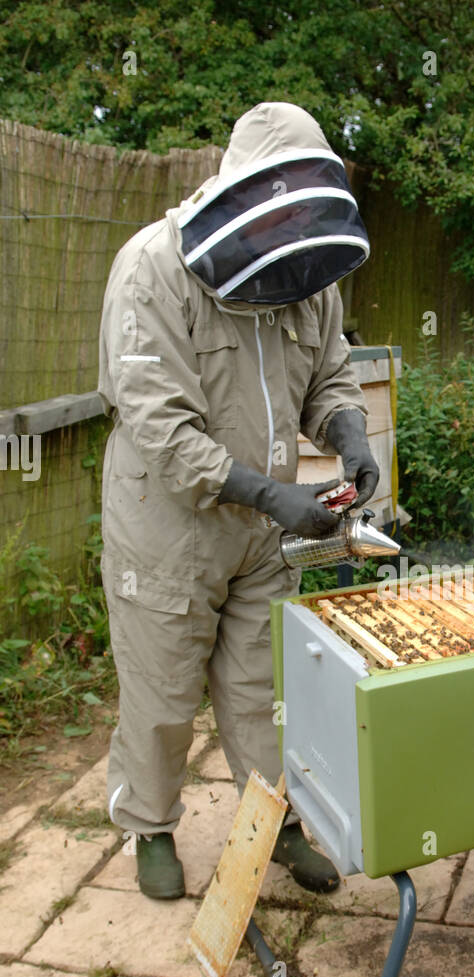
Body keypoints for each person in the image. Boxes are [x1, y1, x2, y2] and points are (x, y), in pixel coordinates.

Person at [97, 102, 378, 901]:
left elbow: (330, 373)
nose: (291, 219)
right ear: (242, 190)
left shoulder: (302, 275)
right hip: (168, 526)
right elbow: (159, 423)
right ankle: (149, 826)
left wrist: (351, 435)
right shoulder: (151, 267)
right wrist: (273, 496)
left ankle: (275, 824)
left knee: (266, 688)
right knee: (161, 689)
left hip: (265, 528)